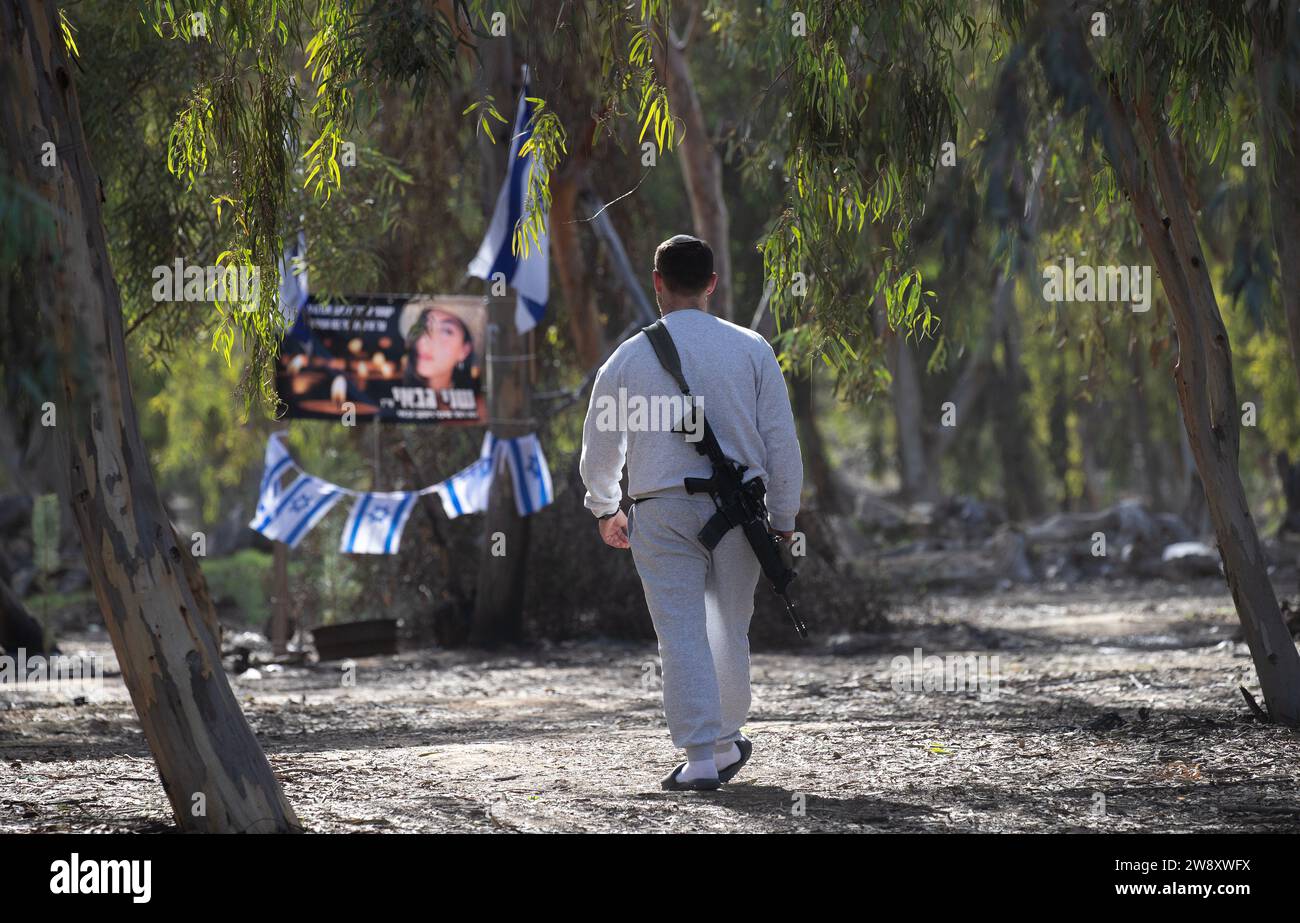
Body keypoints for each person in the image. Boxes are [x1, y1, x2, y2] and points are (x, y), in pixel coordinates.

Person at [579, 234, 804, 791]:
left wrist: (605, 506)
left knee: (680, 632)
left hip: (660, 511)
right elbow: (782, 441)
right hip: (741, 513)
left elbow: (601, 446)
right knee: (729, 627)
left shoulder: (626, 359)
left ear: (657, 282)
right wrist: (784, 515)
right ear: (711, 283)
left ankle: (706, 754)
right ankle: (724, 740)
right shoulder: (751, 348)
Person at [403, 307, 478, 392]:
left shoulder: (478, 402)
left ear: (465, 351)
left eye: (446, 331)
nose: (424, 339)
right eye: (424, 327)